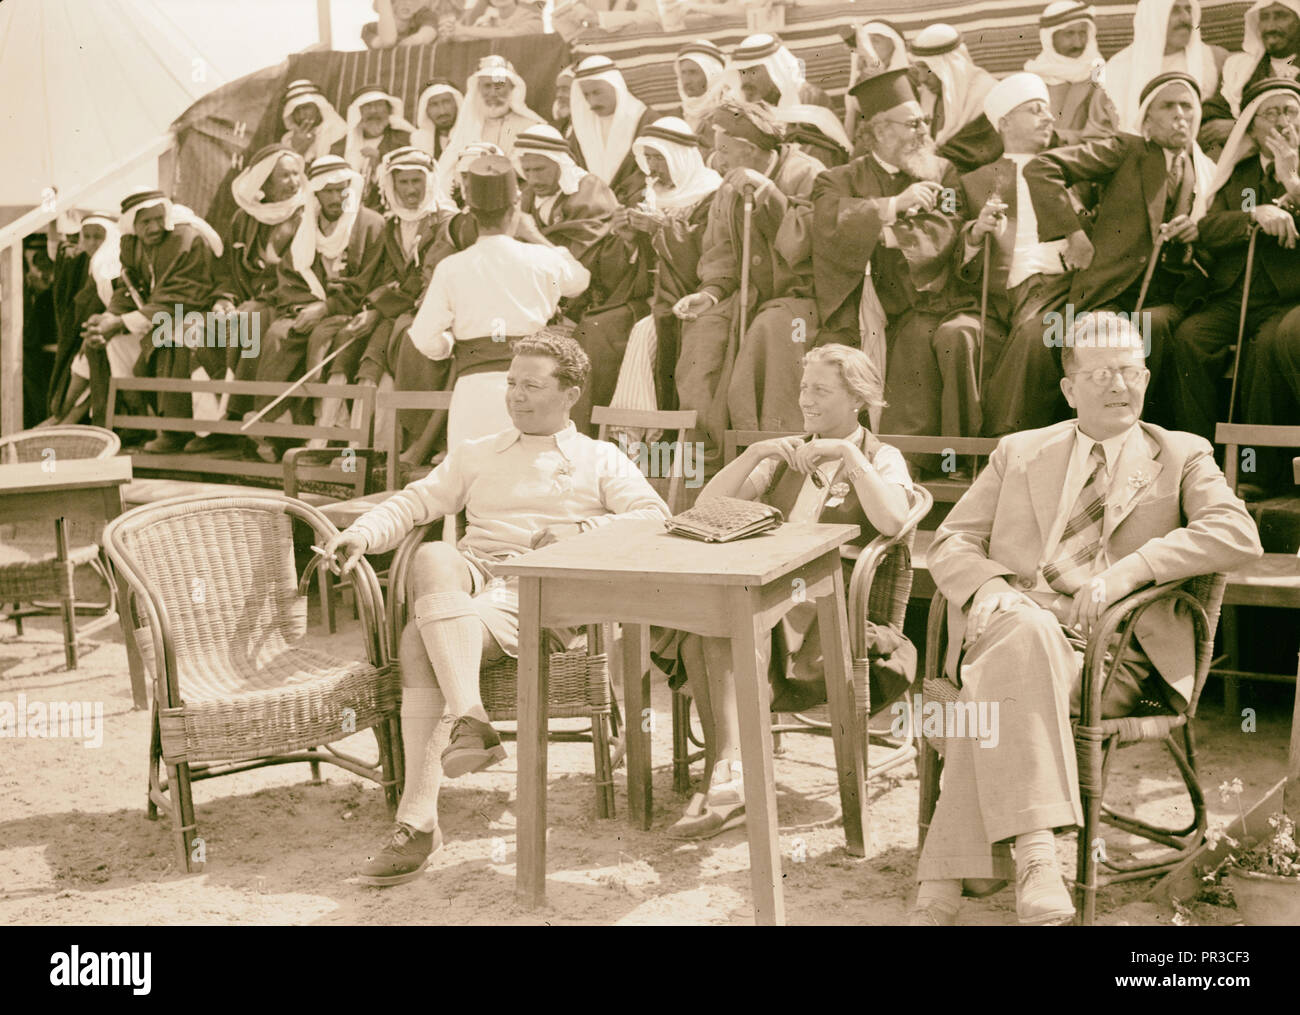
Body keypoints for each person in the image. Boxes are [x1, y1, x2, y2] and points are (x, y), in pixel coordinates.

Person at [912, 311, 1262, 926]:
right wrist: (991, 583)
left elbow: (1238, 533)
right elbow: (951, 542)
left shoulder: (1181, 453)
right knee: (1023, 631)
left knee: (997, 675)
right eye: (1100, 373)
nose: (1117, 385)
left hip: (1116, 654)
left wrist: (1133, 570)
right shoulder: (1019, 452)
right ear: (1070, 388)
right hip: (1020, 629)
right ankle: (1037, 855)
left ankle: (952, 869)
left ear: (1147, 378)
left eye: (1130, 370)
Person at [321, 333, 670, 886]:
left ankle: (418, 818)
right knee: (435, 551)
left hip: (540, 594)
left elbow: (654, 515)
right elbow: (416, 502)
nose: (516, 396)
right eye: (511, 382)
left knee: (417, 641)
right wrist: (361, 534)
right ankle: (471, 718)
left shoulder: (599, 457)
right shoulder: (478, 451)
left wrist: (581, 529)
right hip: (472, 579)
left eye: (532, 385)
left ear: (570, 393)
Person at [664, 343, 914, 839]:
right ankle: (732, 778)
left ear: (858, 399)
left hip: (833, 608)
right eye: (803, 387)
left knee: (717, 629)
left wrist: (846, 454)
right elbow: (706, 506)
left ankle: (728, 778)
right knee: (710, 627)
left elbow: (893, 520)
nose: (806, 399)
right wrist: (756, 452)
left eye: (821, 389)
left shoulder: (880, 457)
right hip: (769, 591)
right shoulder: (785, 456)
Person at [1024, 72, 1217, 428]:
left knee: (1150, 327)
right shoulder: (1126, 150)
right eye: (1168, 106)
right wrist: (1075, 235)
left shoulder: (1208, 173)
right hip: (1110, 291)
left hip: (1172, 297)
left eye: (1187, 106)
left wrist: (1194, 238)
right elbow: (1042, 168)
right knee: (1094, 337)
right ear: (1147, 119)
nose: (1180, 115)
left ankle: (1142, 434)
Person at [810, 69, 967, 470]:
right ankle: (827, 464)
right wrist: (894, 207)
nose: (922, 131)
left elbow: (945, 227)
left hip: (919, 298)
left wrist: (880, 233)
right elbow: (829, 220)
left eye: (923, 122)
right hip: (853, 301)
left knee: (916, 346)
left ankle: (904, 469)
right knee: (830, 359)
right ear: (879, 130)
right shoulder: (838, 177)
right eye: (912, 123)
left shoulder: (942, 172)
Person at [673, 99, 827, 474]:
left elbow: (804, 246)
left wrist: (767, 193)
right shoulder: (729, 184)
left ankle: (776, 457)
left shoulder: (809, 173)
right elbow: (722, 250)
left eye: (723, 149)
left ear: (752, 149)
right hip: (745, 293)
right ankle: (708, 461)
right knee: (702, 331)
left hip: (805, 299)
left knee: (771, 330)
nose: (715, 158)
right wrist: (710, 292)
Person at [405, 156, 591, 449]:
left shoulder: (452, 267)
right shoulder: (542, 260)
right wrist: (535, 235)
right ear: (515, 208)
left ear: (472, 214)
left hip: (473, 392)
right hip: (534, 391)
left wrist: (449, 345)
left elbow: (424, 338)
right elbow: (579, 281)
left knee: (473, 482)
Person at [945, 73, 1074, 437]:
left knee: (1036, 332)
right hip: (999, 297)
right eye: (1035, 111)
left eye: (1048, 111)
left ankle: (1003, 442)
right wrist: (974, 233)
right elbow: (956, 255)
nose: (1048, 118)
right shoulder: (974, 182)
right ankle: (958, 451)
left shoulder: (1072, 171)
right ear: (1004, 123)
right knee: (956, 334)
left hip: (1059, 287)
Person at [1173, 79, 1300, 442]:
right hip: (1235, 294)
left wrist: (1292, 184)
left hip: (1288, 299)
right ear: (1251, 125)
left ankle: (1260, 469)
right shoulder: (1240, 174)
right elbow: (1208, 228)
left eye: (1290, 111)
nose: (1282, 122)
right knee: (1189, 339)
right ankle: (1195, 453)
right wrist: (1253, 215)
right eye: (1270, 113)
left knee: (1265, 351)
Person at [244, 155, 386, 461]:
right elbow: (290, 277)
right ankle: (275, 427)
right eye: (328, 191)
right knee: (278, 334)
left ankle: (327, 432)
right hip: (309, 307)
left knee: (322, 338)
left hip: (353, 312)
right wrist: (307, 308)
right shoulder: (306, 227)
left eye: (342, 189)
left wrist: (326, 308)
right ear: (316, 195)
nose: (336, 197)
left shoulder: (370, 224)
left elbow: (370, 280)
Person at [188, 145, 307, 455]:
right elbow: (228, 270)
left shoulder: (306, 213)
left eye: (297, 173)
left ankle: (237, 416)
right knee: (201, 329)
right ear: (264, 182)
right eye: (285, 175)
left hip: (286, 301)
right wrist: (223, 299)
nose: (294, 182)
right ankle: (211, 425)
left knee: (248, 322)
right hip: (248, 302)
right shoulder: (244, 218)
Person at [88, 189, 223, 451]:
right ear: (133, 225)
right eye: (145, 222)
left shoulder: (185, 239)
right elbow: (128, 290)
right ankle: (144, 422)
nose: (155, 227)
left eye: (159, 219)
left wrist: (121, 321)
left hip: (198, 315)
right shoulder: (132, 245)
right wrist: (109, 316)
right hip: (158, 318)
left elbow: (183, 294)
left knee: (173, 336)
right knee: (113, 343)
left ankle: (181, 431)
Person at [618, 117, 723, 413]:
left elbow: (708, 251)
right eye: (647, 157)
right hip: (653, 293)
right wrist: (629, 238)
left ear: (679, 156)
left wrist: (660, 229)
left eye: (659, 158)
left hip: (697, 292)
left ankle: (648, 430)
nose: (652, 167)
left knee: (644, 333)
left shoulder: (710, 192)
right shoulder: (650, 194)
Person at [1100, 0, 1222, 133]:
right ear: (1153, 17)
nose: (1186, 18)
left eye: (1188, 10)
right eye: (1175, 10)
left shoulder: (1214, 59)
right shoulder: (1117, 67)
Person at [723, 34, 853, 158]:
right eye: (742, 72)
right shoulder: (743, 107)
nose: (745, 80)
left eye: (752, 71)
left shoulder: (810, 98)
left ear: (774, 69)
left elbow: (827, 151)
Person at [435, 56, 547, 198]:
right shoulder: (467, 126)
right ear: (478, 89)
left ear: (512, 88)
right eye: (487, 86)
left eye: (499, 85)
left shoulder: (530, 126)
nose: (493, 93)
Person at [50, 214, 121, 425]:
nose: (91, 242)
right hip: (93, 336)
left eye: (98, 237)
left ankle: (61, 422)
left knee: (82, 381)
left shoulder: (112, 266)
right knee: (76, 382)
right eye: (87, 236)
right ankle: (59, 420)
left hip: (112, 336)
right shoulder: (93, 264)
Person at [1202, 1, 1300, 150]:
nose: (1270, 26)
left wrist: (1241, 129)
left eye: (1281, 16)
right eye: (1265, 17)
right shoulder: (1238, 66)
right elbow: (1212, 115)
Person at [568, 55, 658, 204]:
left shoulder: (647, 121)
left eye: (597, 92)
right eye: (586, 95)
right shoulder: (580, 128)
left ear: (616, 87)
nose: (592, 102)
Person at [1023, 1, 1118, 144]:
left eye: (1082, 33)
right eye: (1069, 34)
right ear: (1049, 37)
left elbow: (1104, 133)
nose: (1078, 43)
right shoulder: (1032, 78)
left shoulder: (1099, 74)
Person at [909, 24, 998, 150]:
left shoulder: (987, 95)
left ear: (952, 65)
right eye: (918, 69)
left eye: (929, 69)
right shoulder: (928, 94)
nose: (922, 79)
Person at [332, 85, 417, 210]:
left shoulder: (405, 141)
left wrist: (380, 161)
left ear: (389, 110)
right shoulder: (340, 147)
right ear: (358, 113)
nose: (373, 111)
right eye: (367, 106)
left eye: (379, 105)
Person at [841, 20, 910, 142]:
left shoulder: (908, 77)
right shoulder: (861, 77)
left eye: (876, 40)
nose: (869, 46)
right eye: (866, 42)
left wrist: (872, 59)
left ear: (893, 44)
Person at [280, 79, 348, 163]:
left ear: (319, 108)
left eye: (306, 107)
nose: (301, 115)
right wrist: (298, 149)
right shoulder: (288, 139)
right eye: (296, 111)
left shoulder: (339, 132)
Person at [675, 39, 726, 132]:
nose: (686, 81)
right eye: (683, 73)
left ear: (712, 75)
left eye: (693, 72)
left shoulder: (729, 116)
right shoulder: (675, 117)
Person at [410, 79, 463, 160]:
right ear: (426, 110)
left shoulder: (473, 135)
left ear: (456, 103)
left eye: (446, 102)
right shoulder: (417, 141)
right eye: (434, 104)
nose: (442, 111)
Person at [363, 0, 441, 48]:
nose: (407, 3)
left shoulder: (425, 17)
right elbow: (388, 42)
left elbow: (423, 37)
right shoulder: (370, 28)